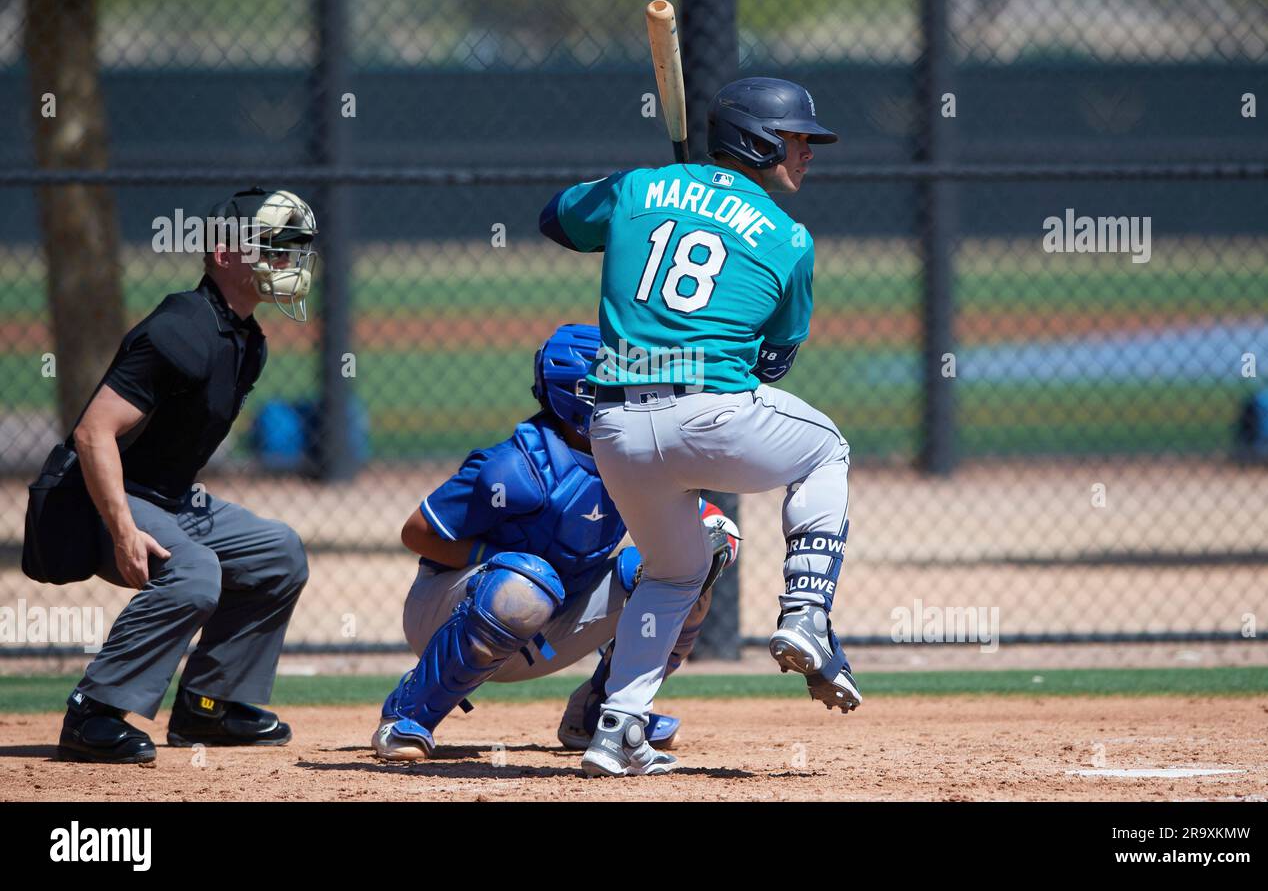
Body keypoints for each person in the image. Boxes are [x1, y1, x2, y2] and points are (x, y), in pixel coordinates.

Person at [538, 78, 858, 777]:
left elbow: (554, 220)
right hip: (713, 411)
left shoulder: (638, 189)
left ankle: (617, 728)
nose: (808, 153)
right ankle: (806, 612)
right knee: (826, 449)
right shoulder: (788, 238)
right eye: (798, 139)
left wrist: (647, 188)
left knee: (674, 571)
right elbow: (773, 364)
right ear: (759, 141)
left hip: (615, 428)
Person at [23, 188, 318, 763]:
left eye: (291, 251)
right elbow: (92, 434)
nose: (285, 263)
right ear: (224, 254)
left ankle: (209, 706)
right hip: (92, 500)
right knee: (193, 572)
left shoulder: (246, 340)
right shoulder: (181, 328)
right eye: (272, 249)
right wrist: (124, 530)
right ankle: (93, 715)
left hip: (167, 497)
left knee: (277, 552)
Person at [370, 323, 739, 760]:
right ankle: (407, 714)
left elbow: (703, 519)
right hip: (451, 615)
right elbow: (418, 532)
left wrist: (718, 538)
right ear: (580, 393)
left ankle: (606, 714)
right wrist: (499, 564)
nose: (637, 394)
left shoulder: (637, 456)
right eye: (618, 385)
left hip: (554, 616)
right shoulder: (517, 469)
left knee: (688, 568)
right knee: (525, 584)